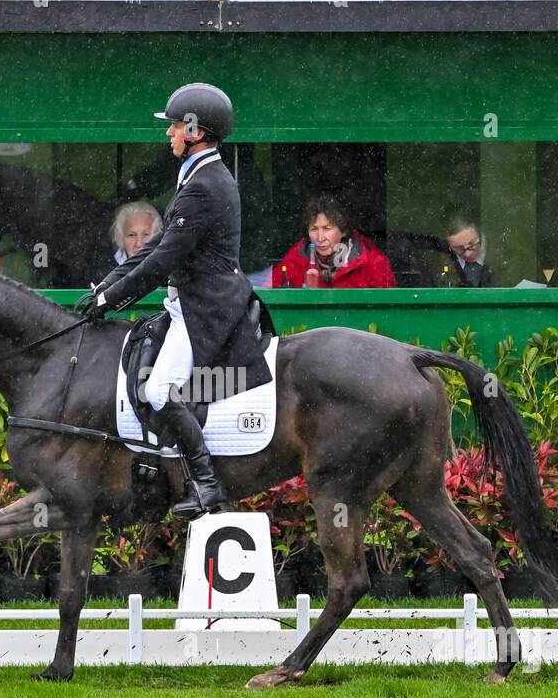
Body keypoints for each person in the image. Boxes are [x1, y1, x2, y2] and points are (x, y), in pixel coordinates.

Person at [75, 83, 272, 517]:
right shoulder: (199, 175)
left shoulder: (205, 185)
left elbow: (163, 259)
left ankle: (206, 485)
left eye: (176, 127)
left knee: (159, 390)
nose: (169, 135)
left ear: (196, 132)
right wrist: (104, 288)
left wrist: (112, 301)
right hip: (190, 302)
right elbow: (156, 246)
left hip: (206, 309)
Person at [269, 196, 394, 288]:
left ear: (343, 231)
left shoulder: (373, 264)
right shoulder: (293, 261)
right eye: (314, 229)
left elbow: (389, 312)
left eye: (327, 228)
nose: (320, 237)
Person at [441, 217, 493, 288]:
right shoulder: (439, 263)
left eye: (472, 243)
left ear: (480, 235)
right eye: (459, 248)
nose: (468, 254)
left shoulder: (504, 252)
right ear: (450, 247)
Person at [109, 201, 162, 265]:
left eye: (146, 234)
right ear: (121, 238)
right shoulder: (107, 271)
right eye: (132, 235)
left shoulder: (170, 267)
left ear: (157, 236)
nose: (139, 244)